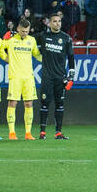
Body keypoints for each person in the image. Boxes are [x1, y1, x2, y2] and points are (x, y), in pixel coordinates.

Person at [0, 17, 41, 140]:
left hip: (28, 77)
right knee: (13, 103)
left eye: (27, 31)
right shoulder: (11, 40)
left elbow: (37, 55)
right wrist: (7, 59)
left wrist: (47, 59)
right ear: (18, 29)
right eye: (23, 31)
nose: (25, 33)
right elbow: (0, 49)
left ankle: (28, 133)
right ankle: (12, 132)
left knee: (29, 103)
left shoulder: (31, 40)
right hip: (15, 76)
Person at [38, 11, 76, 140]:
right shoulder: (43, 36)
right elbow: (27, 39)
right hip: (47, 77)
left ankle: (58, 132)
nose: (57, 23)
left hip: (60, 78)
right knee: (45, 104)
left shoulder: (66, 38)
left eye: (59, 21)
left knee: (60, 104)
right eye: (54, 21)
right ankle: (42, 132)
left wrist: (71, 76)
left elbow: (71, 57)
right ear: (49, 23)